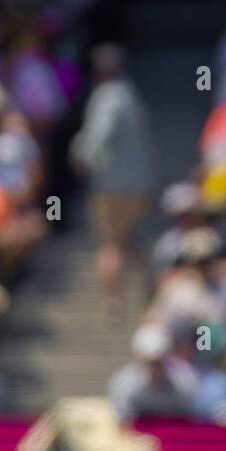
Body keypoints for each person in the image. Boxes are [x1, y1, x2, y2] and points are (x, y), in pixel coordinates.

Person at [70, 44, 156, 306]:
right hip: (139, 184)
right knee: (128, 239)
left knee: (110, 244)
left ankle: (113, 299)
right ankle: (152, 286)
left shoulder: (108, 96)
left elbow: (99, 135)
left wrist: (81, 159)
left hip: (113, 186)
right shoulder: (130, 94)